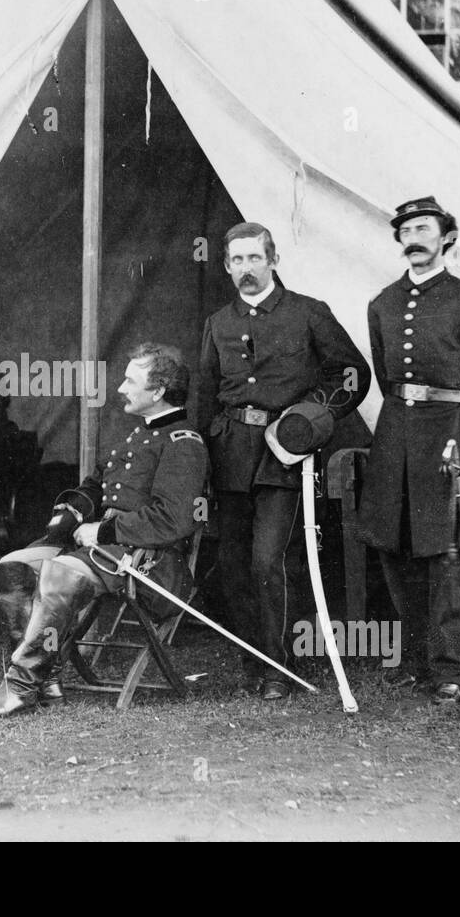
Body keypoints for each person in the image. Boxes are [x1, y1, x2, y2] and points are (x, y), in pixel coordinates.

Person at [0, 342, 209, 721]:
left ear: (158, 391)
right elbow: (95, 485)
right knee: (11, 566)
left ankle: (21, 684)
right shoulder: (136, 436)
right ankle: (48, 675)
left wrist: (104, 531)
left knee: (59, 573)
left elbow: (174, 520)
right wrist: (74, 509)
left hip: (149, 562)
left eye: (131, 380)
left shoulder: (184, 444)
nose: (121, 388)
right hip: (104, 550)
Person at [196, 222, 370, 700]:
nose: (246, 270)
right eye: (237, 261)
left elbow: (353, 374)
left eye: (255, 258)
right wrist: (197, 461)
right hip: (230, 452)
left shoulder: (309, 313)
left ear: (273, 260)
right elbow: (203, 395)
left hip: (286, 456)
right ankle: (255, 661)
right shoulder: (218, 323)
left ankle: (281, 666)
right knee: (232, 564)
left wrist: (311, 415)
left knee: (269, 560)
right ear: (227, 267)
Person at [357, 197, 460, 704]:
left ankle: (451, 668)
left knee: (444, 555)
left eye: (424, 227)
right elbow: (385, 378)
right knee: (396, 548)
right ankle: (416, 659)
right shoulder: (381, 303)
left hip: (448, 436)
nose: (414, 237)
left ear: (446, 236)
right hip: (396, 434)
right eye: (405, 229)